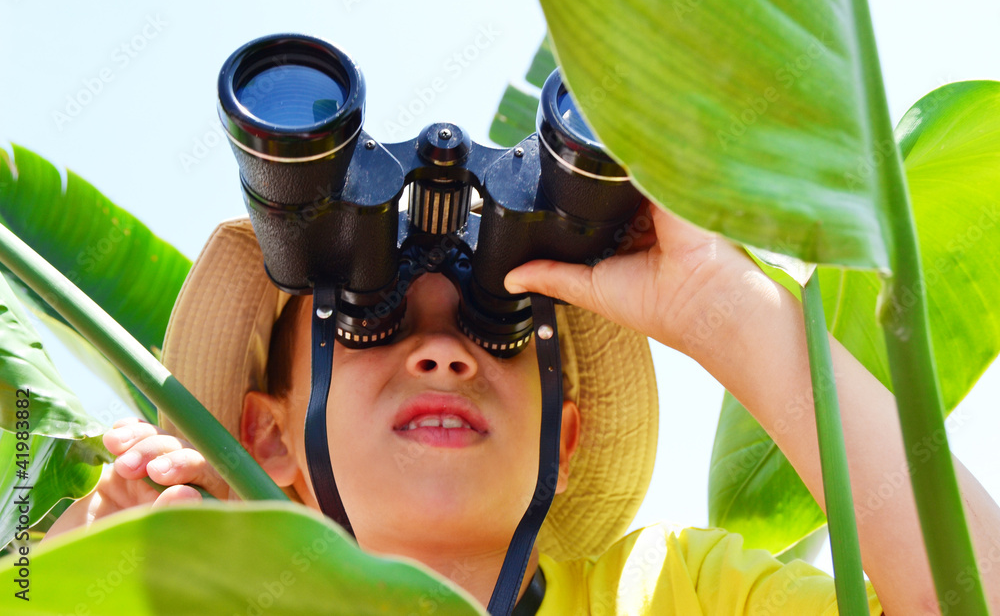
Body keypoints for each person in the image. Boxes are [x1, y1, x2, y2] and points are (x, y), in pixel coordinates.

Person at [48, 200, 1000, 615]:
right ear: (265, 432)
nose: (440, 349)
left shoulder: (669, 591)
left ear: (565, 441)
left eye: (498, 321)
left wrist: (724, 309)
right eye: (367, 317)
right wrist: (61, 551)